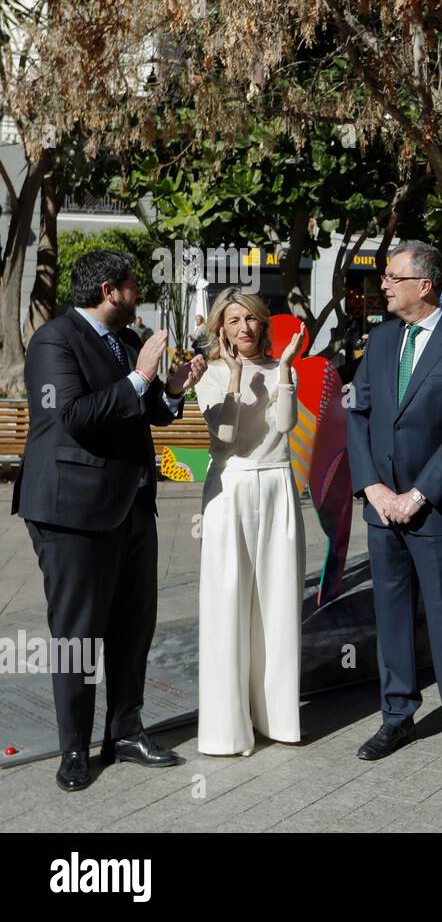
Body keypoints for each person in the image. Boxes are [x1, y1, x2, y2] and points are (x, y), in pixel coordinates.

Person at [15, 250, 207, 791]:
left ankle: (125, 730)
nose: (137, 295)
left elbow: (141, 411)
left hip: (132, 507)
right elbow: (71, 415)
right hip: (72, 510)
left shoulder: (122, 340)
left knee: (133, 626)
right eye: (131, 286)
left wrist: (171, 388)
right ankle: (73, 747)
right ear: (108, 289)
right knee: (77, 633)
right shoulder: (56, 339)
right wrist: (143, 375)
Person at [346, 241, 442, 768]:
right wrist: (374, 489)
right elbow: (358, 414)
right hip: (383, 510)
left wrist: (418, 494)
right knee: (391, 616)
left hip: (439, 510)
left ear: (424, 285)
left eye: (392, 277)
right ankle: (397, 716)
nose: (382, 285)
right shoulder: (381, 340)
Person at [195, 289, 307, 756]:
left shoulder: (284, 368)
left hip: (278, 485)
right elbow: (224, 436)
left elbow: (284, 426)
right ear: (222, 327)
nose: (244, 328)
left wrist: (282, 372)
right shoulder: (212, 375)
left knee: (278, 606)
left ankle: (278, 719)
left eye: (252, 320)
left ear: (263, 324)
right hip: (230, 488)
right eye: (234, 320)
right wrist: (236, 377)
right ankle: (227, 729)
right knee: (228, 606)